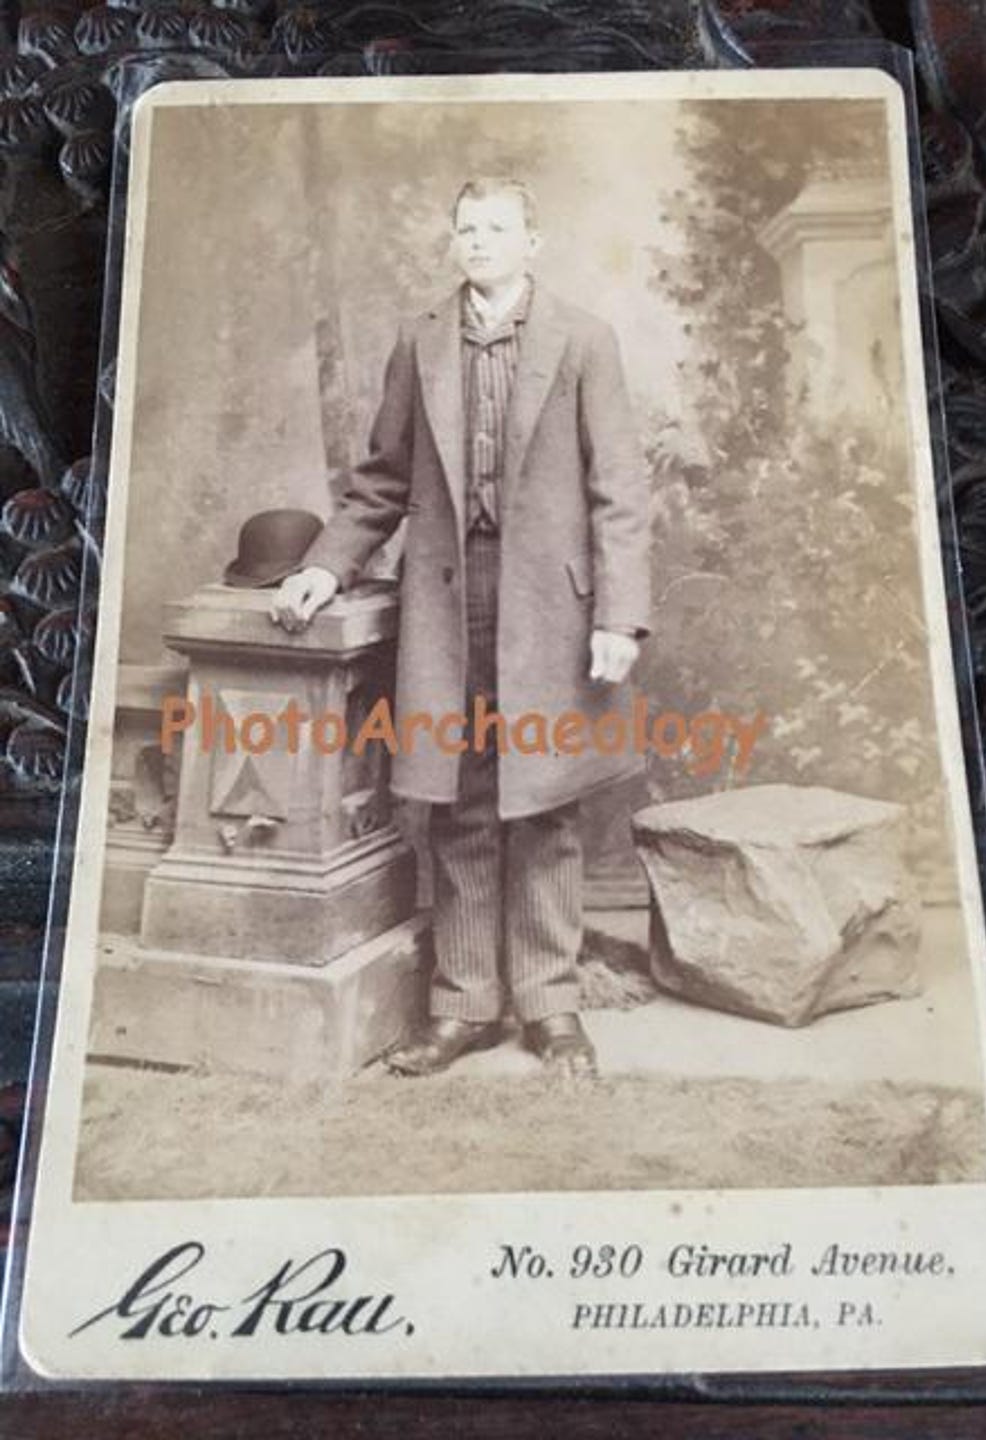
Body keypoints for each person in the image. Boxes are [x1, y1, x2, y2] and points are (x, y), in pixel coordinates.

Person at [272, 176, 650, 1079]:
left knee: (547, 805)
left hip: (554, 609)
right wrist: (325, 566)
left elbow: (620, 493)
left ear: (533, 239)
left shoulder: (584, 340)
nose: (478, 242)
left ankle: (552, 1008)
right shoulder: (422, 339)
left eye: (496, 228)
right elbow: (380, 484)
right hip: (446, 602)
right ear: (454, 242)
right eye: (466, 228)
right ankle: (465, 1004)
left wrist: (621, 617)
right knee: (461, 802)